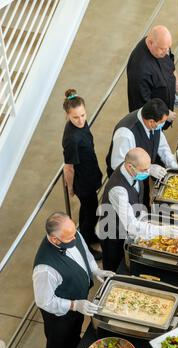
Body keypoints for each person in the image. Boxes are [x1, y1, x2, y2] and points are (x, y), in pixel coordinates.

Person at [33, 212, 114, 348]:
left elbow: (85, 253)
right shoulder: (45, 269)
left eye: (74, 233)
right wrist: (74, 305)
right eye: (70, 237)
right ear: (55, 240)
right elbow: (44, 301)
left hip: (78, 303)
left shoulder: (71, 234)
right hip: (59, 315)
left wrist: (95, 270)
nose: (74, 237)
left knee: (75, 332)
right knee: (56, 347)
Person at [97, 148, 178, 271]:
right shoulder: (118, 190)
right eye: (144, 170)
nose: (147, 172)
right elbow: (131, 226)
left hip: (131, 226)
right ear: (130, 166)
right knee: (116, 269)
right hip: (114, 234)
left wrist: (151, 168)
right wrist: (164, 231)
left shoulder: (132, 170)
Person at [62, 89, 103, 260]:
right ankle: (85, 245)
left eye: (83, 115)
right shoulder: (72, 139)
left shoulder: (81, 124)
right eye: (75, 117)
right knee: (92, 212)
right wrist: (71, 188)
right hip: (83, 182)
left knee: (87, 211)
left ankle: (88, 235)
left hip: (90, 173)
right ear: (67, 116)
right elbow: (68, 168)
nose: (81, 120)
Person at [127, 25, 178, 129]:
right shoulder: (140, 70)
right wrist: (165, 114)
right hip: (152, 124)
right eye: (163, 49)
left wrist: (177, 84)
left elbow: (170, 62)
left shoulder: (159, 47)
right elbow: (143, 105)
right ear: (150, 42)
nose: (166, 52)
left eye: (168, 48)